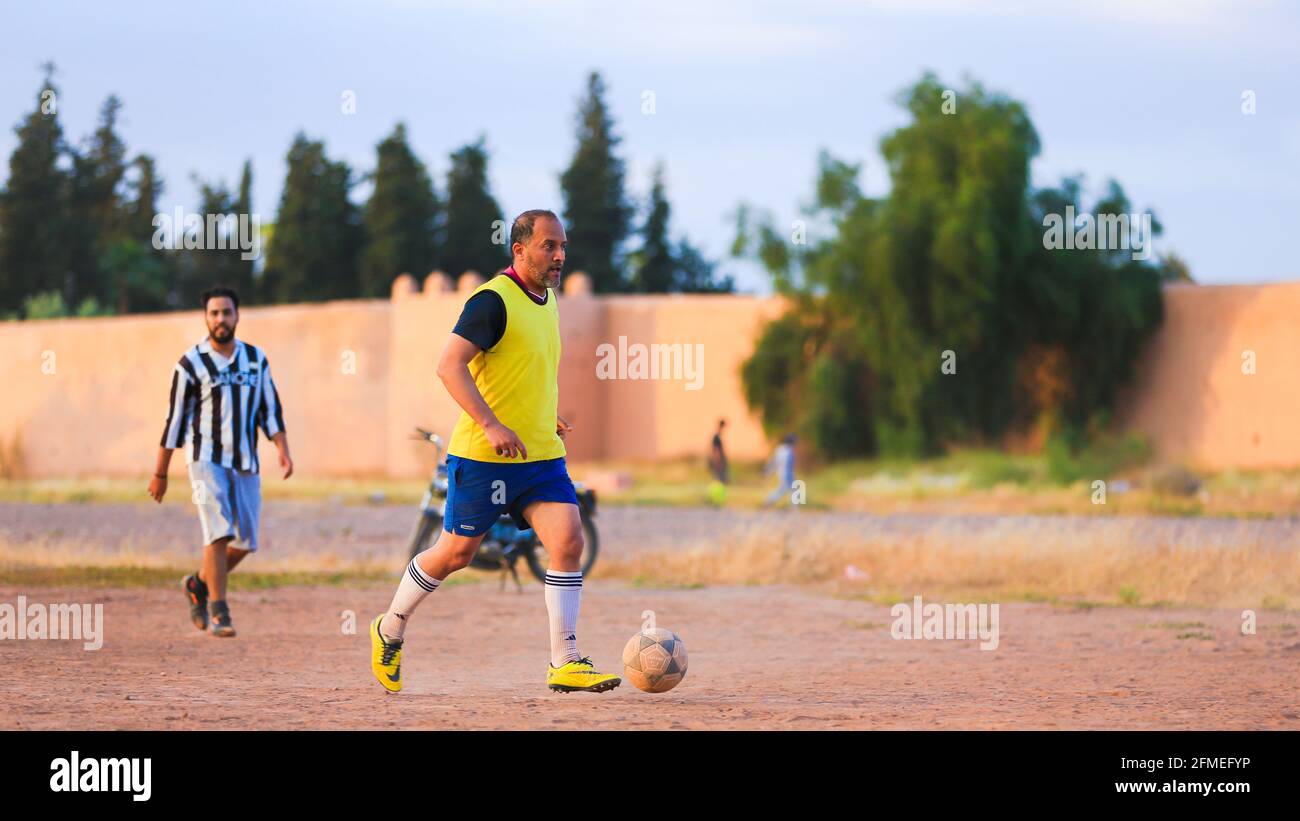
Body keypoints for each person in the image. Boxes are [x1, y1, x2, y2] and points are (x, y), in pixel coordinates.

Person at [369, 210, 620, 694]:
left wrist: (543, 418)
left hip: (541, 456)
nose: (560, 255)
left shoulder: (547, 301)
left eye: (563, 246)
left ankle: (565, 660)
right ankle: (391, 626)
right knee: (456, 554)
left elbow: (524, 374)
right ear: (519, 250)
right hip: (484, 458)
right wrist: (491, 424)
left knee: (568, 540)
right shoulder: (491, 301)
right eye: (549, 246)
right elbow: (449, 367)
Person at [148, 286, 294, 637]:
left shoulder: (256, 360)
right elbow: (174, 420)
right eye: (214, 313)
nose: (221, 319)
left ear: (237, 316)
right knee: (218, 529)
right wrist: (160, 472)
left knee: (245, 541)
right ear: (206, 318)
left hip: (245, 460)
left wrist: (282, 450)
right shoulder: (190, 364)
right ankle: (219, 611)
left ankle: (198, 583)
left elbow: (269, 410)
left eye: (226, 312)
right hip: (204, 459)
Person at [762, 433, 798, 509]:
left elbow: (774, 461)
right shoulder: (785, 450)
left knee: (784, 488)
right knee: (789, 488)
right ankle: (794, 506)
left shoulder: (782, 449)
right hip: (785, 472)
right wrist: (769, 470)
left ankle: (769, 501)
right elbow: (777, 462)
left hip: (785, 472)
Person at [708, 419, 729, 484]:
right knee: (719, 477)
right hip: (719, 460)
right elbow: (716, 450)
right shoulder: (716, 437)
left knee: (722, 477)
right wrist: (717, 460)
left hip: (721, 459)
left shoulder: (719, 436)